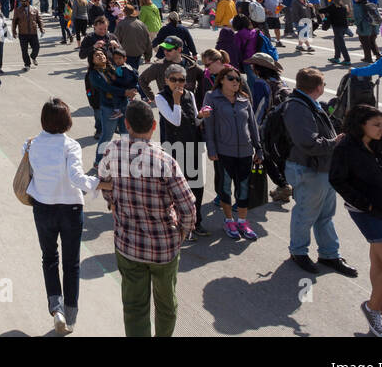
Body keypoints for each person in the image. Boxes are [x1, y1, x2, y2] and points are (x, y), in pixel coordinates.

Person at [97, 100, 197, 337]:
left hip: (127, 244)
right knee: (166, 305)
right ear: (154, 126)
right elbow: (188, 205)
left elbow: (105, 184)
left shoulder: (112, 151)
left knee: (134, 307)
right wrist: (183, 232)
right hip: (163, 248)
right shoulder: (165, 161)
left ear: (126, 124)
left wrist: (113, 201)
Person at [328, 105, 382, 336]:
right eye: (377, 125)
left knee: (381, 264)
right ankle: (372, 308)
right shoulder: (345, 147)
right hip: (365, 211)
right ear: (361, 124)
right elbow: (337, 180)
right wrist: (366, 204)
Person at [23, 98, 100, 332]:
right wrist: (98, 183)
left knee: (49, 258)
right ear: (67, 121)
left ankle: (56, 309)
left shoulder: (31, 144)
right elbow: (77, 178)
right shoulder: (71, 146)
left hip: (43, 207)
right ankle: (70, 314)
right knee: (71, 264)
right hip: (70, 209)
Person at [283, 67, 357, 277]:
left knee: (325, 215)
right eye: (323, 84)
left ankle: (329, 254)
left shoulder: (308, 103)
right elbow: (308, 143)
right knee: (306, 214)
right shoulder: (297, 107)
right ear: (317, 87)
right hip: (309, 169)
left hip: (322, 169)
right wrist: (335, 142)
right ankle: (298, 252)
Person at [202, 67, 261, 241]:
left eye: (238, 79)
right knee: (225, 187)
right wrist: (211, 149)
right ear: (221, 80)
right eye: (231, 78)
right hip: (223, 152)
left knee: (243, 189)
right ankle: (229, 221)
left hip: (245, 151)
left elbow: (253, 125)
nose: (235, 82)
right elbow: (209, 126)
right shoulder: (211, 97)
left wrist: (259, 148)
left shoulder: (244, 100)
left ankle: (242, 222)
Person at [155, 64, 210, 239]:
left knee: (197, 186)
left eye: (182, 80)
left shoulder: (190, 94)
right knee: (178, 187)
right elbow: (174, 121)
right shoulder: (161, 97)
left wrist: (201, 116)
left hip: (193, 144)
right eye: (174, 79)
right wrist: (177, 101)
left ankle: (196, 222)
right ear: (166, 80)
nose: (178, 83)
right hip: (174, 147)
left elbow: (194, 121)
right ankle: (179, 223)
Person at [88, 47, 136, 164]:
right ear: (92, 60)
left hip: (124, 104)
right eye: (97, 55)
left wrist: (132, 90)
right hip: (109, 107)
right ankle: (98, 161)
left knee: (125, 133)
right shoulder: (94, 74)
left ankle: (127, 158)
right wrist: (125, 92)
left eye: (102, 54)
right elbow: (107, 87)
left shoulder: (113, 67)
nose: (101, 56)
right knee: (107, 136)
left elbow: (126, 79)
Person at [11, 0, 44, 70]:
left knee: (36, 47)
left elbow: (40, 20)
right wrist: (14, 32)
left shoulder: (35, 9)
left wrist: (42, 29)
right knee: (24, 50)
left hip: (33, 33)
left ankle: (33, 56)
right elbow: (14, 22)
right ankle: (27, 64)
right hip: (23, 33)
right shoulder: (18, 11)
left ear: (28, 1)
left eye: (24, 1)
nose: (22, 2)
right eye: (21, 1)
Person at [113, 5, 151, 69]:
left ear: (124, 13)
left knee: (128, 72)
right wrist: (148, 56)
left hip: (126, 53)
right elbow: (148, 41)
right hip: (138, 52)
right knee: (134, 71)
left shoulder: (121, 24)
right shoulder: (141, 24)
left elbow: (116, 39)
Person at [350, 0, 382, 64]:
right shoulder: (371, 4)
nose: (354, 0)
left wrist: (356, 24)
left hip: (364, 27)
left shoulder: (358, 6)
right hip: (374, 27)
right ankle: (378, 55)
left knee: (365, 43)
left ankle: (368, 58)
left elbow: (358, 18)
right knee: (372, 42)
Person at [323, 0, 352, 65]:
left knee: (341, 43)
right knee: (336, 41)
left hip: (337, 27)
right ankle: (336, 57)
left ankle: (347, 59)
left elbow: (326, 14)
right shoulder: (343, 7)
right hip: (343, 27)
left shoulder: (333, 8)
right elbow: (348, 14)